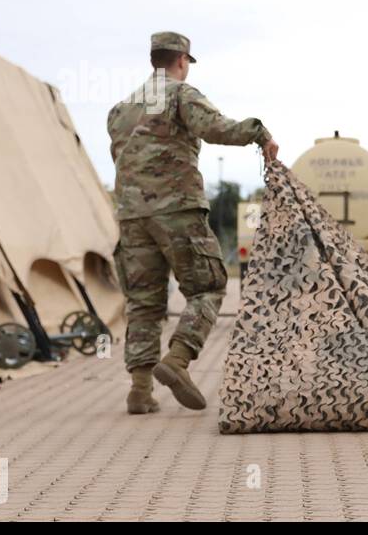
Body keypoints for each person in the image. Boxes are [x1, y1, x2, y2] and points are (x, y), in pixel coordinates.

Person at [108, 31, 278, 414]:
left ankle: (139, 390)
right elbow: (217, 128)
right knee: (209, 287)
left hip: (132, 216)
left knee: (143, 303)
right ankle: (178, 359)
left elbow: (122, 158)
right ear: (182, 60)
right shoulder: (181, 95)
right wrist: (259, 133)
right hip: (177, 210)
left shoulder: (119, 111)